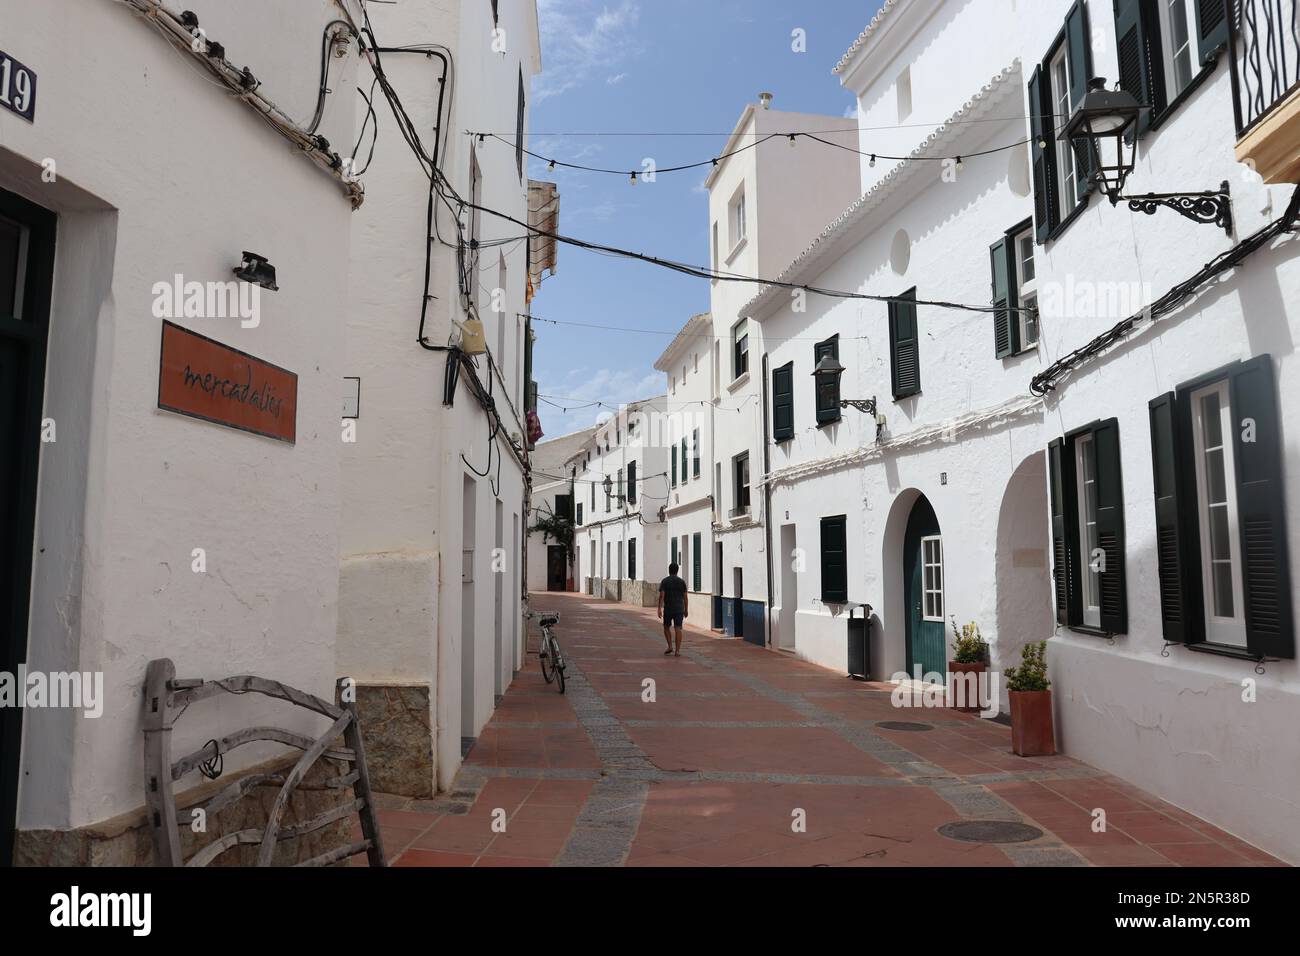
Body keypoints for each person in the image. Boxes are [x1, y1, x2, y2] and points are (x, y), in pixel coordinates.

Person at [657, 563, 688, 656]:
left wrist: (659, 608)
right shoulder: (682, 582)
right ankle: (677, 651)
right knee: (678, 628)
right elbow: (685, 597)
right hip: (679, 608)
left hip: (668, 608)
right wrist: (686, 609)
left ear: (669, 570)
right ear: (677, 570)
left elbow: (662, 595)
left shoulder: (665, 581)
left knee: (666, 627)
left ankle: (670, 646)